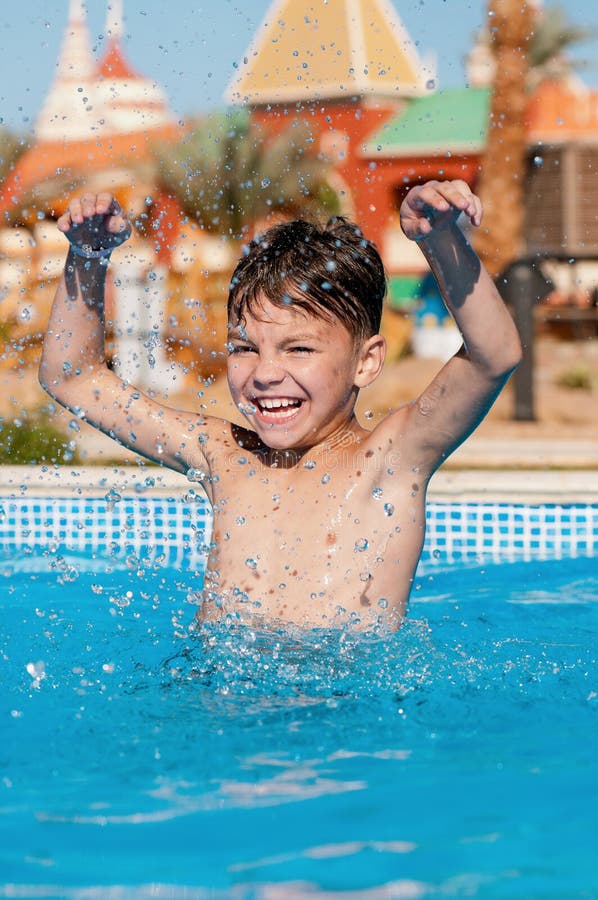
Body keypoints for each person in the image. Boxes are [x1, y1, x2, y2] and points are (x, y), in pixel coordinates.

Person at [40, 180, 521, 630]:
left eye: (299, 349)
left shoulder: (390, 461)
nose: (266, 373)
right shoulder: (224, 455)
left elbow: (493, 357)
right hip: (220, 709)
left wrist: (439, 239)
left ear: (366, 361)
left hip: (341, 709)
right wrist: (87, 255)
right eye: (244, 348)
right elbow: (73, 377)